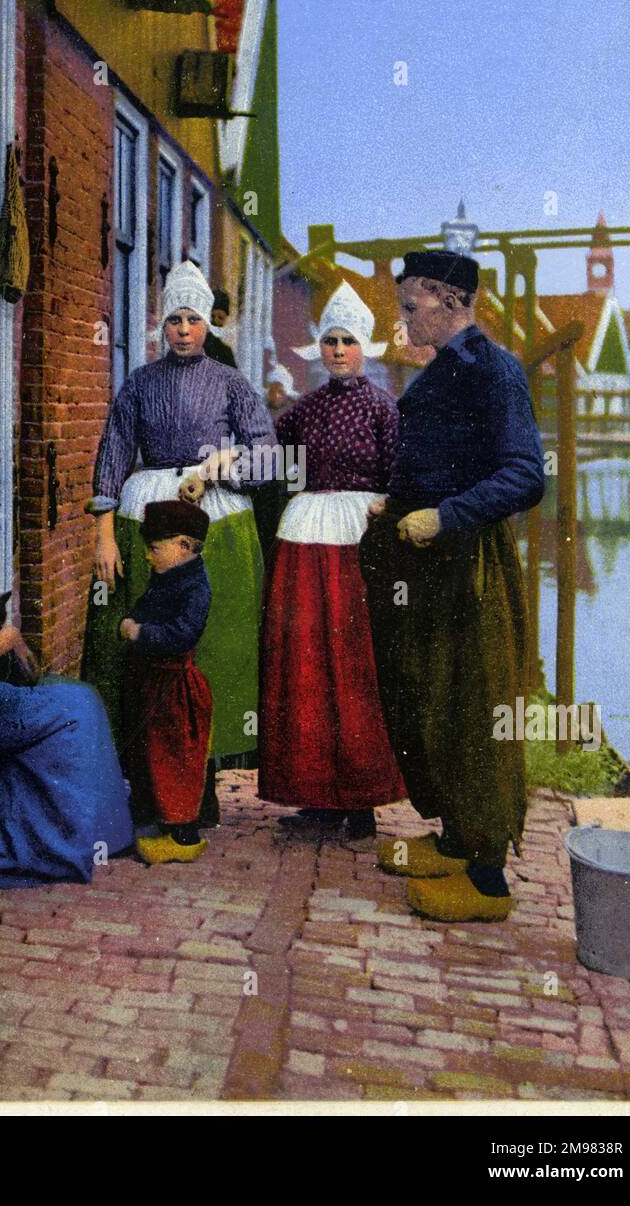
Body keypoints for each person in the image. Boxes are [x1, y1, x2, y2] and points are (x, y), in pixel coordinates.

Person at [359, 250, 546, 921]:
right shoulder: (445, 372)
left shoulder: (493, 371)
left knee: (473, 712)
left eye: (409, 306)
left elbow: (525, 474)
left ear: (446, 298)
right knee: (427, 703)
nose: (401, 319)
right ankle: (454, 841)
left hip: (467, 567)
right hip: (422, 563)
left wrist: (443, 515)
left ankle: (488, 881)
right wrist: (398, 499)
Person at [83, 260, 276, 823]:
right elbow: (112, 456)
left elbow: (268, 455)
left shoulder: (233, 384)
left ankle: (204, 778)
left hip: (217, 520)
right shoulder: (139, 385)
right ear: (162, 325)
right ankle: (147, 777)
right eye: (174, 320)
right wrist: (103, 535)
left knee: (211, 647)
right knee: (143, 650)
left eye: (193, 318)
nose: (184, 330)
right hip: (146, 515)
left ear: (208, 325)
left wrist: (224, 462)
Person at [0, 445, 133, 887]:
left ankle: (95, 832)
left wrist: (5, 638)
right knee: (73, 710)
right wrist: (12, 638)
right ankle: (67, 839)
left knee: (80, 697)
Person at [257, 281, 407, 843]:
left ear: (363, 346)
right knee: (303, 664)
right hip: (303, 537)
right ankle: (316, 793)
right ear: (318, 348)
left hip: (355, 542)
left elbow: (399, 481)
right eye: (329, 341)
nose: (338, 350)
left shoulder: (383, 410)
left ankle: (361, 798)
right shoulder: (301, 412)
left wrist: (382, 510)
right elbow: (273, 462)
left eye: (347, 341)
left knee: (352, 664)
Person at [120, 500, 213, 864]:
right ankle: (159, 821)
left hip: (176, 688)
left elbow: (183, 633)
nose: (147, 555)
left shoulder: (195, 588)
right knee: (152, 755)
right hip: (154, 683)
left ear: (185, 546)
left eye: (155, 547)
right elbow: (146, 607)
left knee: (177, 758)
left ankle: (184, 836)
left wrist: (141, 632)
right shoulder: (168, 578)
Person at [203, 288, 237, 367]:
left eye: (220, 318)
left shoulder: (225, 352)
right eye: (212, 316)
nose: (215, 321)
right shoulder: (193, 347)